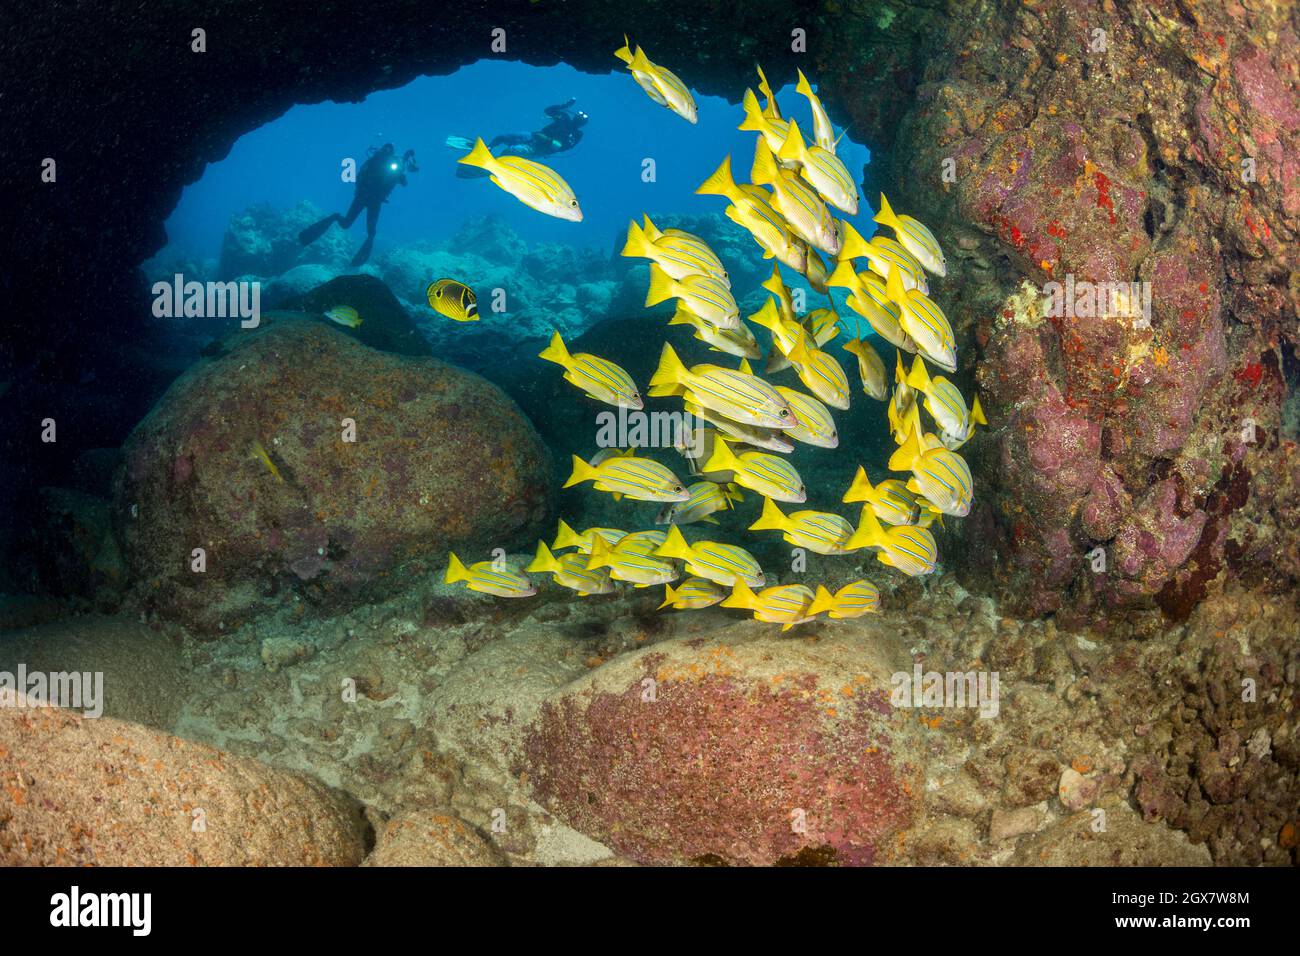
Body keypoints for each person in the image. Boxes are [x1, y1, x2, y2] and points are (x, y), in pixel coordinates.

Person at [299, 143, 418, 267]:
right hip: (362, 197)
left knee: (371, 232)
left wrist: (403, 166)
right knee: (346, 224)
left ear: (392, 154)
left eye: (389, 152)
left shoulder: (395, 166)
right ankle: (334, 217)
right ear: (382, 151)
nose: (386, 153)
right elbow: (360, 176)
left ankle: (356, 262)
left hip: (375, 201)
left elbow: (404, 183)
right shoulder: (373, 161)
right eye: (385, 150)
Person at [448, 100, 587, 176]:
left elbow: (562, 148)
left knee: (511, 152)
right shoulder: (565, 117)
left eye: (581, 119)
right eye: (579, 115)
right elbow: (549, 111)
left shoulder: (576, 134)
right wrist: (564, 106)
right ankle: (487, 149)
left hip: (538, 148)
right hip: (532, 136)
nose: (578, 118)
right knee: (502, 137)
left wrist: (545, 139)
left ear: (582, 124)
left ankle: (488, 168)